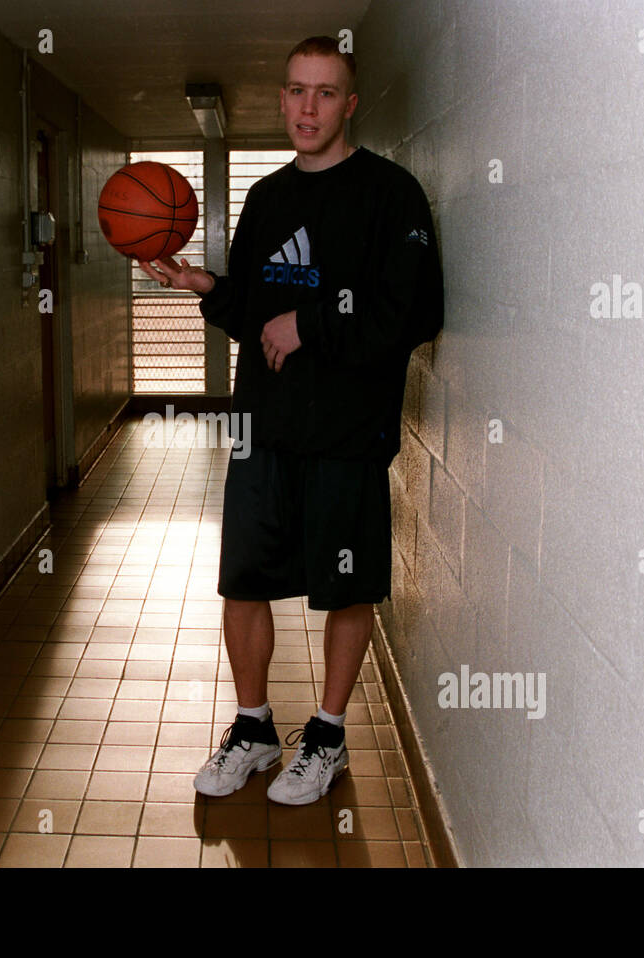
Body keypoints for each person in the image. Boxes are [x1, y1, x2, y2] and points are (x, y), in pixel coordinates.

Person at [136, 36, 443, 805]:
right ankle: (254, 728)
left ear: (350, 103)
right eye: (296, 91)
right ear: (281, 99)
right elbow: (252, 310)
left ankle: (329, 737)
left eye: (325, 92)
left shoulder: (391, 194)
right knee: (243, 581)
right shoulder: (268, 197)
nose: (308, 107)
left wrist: (308, 327)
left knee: (346, 589)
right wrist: (198, 281)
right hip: (263, 428)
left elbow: (415, 311)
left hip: (346, 433)